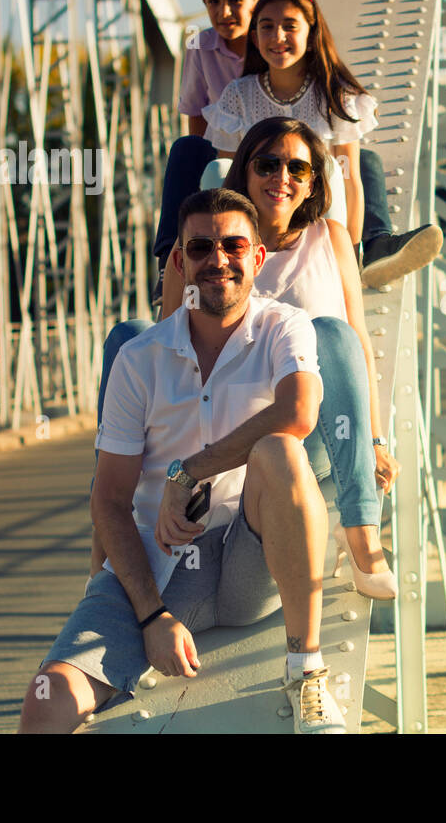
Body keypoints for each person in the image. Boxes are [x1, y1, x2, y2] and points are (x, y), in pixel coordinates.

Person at [21, 188, 347, 734]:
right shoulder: (139, 358)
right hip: (158, 566)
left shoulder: (283, 327)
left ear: (257, 257)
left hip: (250, 558)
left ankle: (306, 671)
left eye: (234, 245)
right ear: (179, 260)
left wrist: (188, 470)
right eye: (200, 247)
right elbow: (109, 498)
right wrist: (151, 617)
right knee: (45, 700)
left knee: (280, 448)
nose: (218, 259)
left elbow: (298, 412)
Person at [160, 116, 398, 598]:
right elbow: (169, 359)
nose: (281, 178)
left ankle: (360, 530)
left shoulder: (330, 241)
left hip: (311, 437)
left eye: (298, 168)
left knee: (330, 333)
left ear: (313, 183)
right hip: (229, 444)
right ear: (244, 170)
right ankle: (107, 552)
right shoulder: (206, 251)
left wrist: (373, 438)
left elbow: (357, 346)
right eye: (267, 163)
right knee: (131, 336)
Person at [155, 0, 441, 308]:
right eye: (265, 26)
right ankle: (191, 264)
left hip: (312, 211)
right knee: (216, 168)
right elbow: (228, 179)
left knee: (337, 166)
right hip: (256, 213)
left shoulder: (336, 95)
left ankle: (368, 253)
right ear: (254, 34)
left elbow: (349, 182)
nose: (277, 36)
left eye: (290, 26)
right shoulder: (239, 95)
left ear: (311, 32)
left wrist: (349, 252)